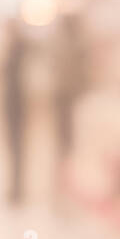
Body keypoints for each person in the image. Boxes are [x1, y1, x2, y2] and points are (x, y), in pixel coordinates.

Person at [51, 11, 90, 203]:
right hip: (67, 100)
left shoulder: (71, 48)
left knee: (67, 146)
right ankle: (63, 186)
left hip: (69, 100)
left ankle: (65, 186)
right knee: (65, 146)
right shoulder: (71, 48)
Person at [2, 17, 29, 205]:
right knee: (13, 149)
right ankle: (15, 188)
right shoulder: (14, 50)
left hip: (18, 105)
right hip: (12, 104)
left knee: (18, 149)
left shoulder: (21, 50)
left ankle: (18, 189)